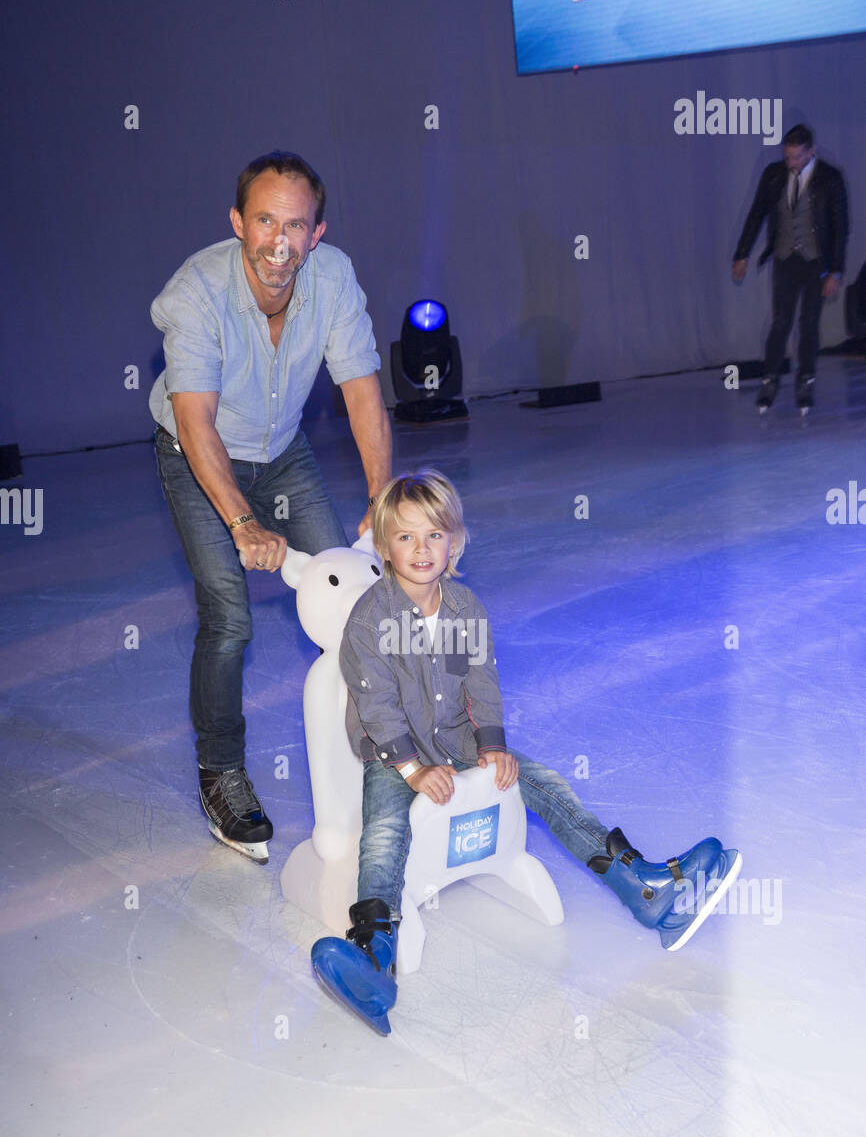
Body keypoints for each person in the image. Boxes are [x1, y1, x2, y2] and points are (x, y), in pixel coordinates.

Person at [310, 471, 742, 1035]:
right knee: (388, 828)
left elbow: (482, 685)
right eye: (406, 537)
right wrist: (412, 769)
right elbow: (376, 701)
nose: (421, 550)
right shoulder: (369, 619)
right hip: (394, 754)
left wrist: (492, 749)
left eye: (434, 536)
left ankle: (644, 888)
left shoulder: (465, 607)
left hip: (456, 739)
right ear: (386, 545)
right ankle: (372, 951)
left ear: (455, 542)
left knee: (540, 782)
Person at [149, 151, 392, 863]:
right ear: (237, 223)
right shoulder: (198, 291)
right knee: (229, 610)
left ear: (317, 233)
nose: (279, 244)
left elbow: (362, 396)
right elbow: (196, 425)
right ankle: (222, 772)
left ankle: (382, 749)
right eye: (264, 221)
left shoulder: (334, 278)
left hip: (282, 452)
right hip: (197, 454)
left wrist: (381, 498)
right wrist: (242, 522)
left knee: (354, 592)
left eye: (296, 225)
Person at [732, 124, 848, 413]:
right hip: (785, 258)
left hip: (816, 261)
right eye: (787, 157)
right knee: (781, 322)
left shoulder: (830, 179)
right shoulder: (773, 176)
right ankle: (770, 379)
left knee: (808, 323)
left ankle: (805, 380)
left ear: (811, 152)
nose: (791, 163)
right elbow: (756, 214)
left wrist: (836, 271)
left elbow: (840, 228)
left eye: (796, 157)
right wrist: (742, 254)